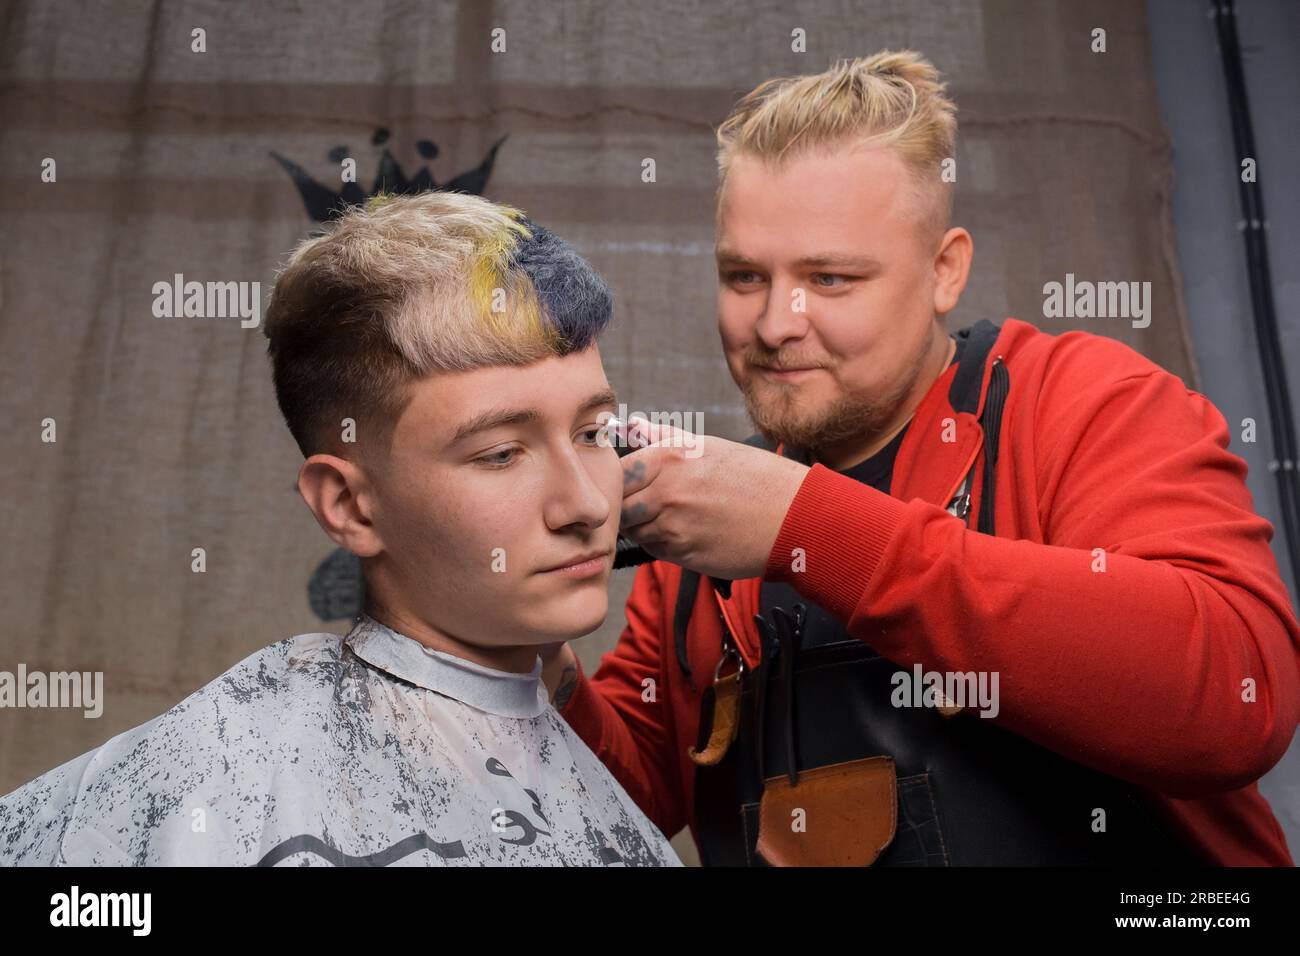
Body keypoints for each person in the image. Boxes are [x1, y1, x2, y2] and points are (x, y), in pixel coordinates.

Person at [542, 50, 1300, 865]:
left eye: (830, 278)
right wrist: (533, 647)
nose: (773, 324)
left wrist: (807, 525)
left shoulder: (1086, 402)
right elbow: (625, 800)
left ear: (945, 271)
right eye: (744, 276)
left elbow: (1236, 701)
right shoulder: (704, 518)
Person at [0, 191, 681, 868]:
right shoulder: (215, 775)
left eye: (594, 432)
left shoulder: (600, 777)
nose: (588, 504)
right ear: (350, 506)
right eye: (501, 453)